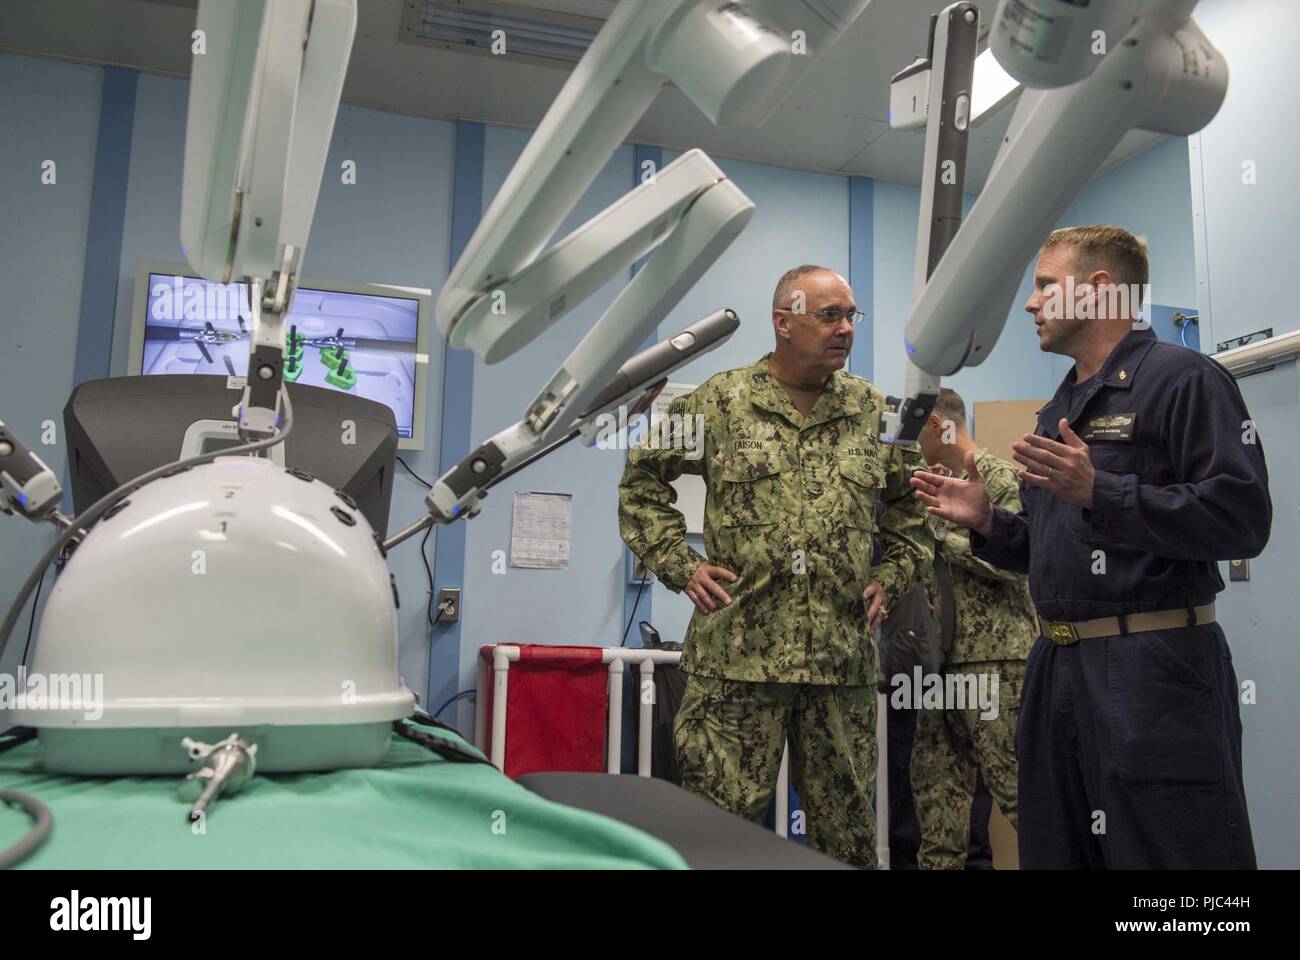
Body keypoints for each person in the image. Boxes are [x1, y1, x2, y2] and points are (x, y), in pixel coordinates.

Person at [911, 226, 1270, 869]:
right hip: (1056, 666)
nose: (1030, 302)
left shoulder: (1185, 381)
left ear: (1100, 290)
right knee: (1059, 850)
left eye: (1046, 284)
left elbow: (1241, 520)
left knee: (1176, 867)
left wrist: (1103, 490)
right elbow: (1060, 542)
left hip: (1153, 666)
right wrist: (992, 524)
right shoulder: (1061, 407)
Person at [618, 265, 932, 867]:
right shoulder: (719, 399)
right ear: (783, 322)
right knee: (717, 841)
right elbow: (640, 485)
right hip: (737, 662)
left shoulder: (877, 412)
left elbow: (912, 509)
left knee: (847, 844)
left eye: (850, 316)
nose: (844, 329)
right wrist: (682, 566)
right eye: (828, 315)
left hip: (840, 667)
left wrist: (890, 576)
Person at [909, 387, 1036, 869]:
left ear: (937, 422)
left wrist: (942, 533)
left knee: (1024, 797)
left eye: (911, 429)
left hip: (996, 664)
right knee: (937, 808)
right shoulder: (928, 485)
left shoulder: (1001, 477)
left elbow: (1022, 564)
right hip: (934, 666)